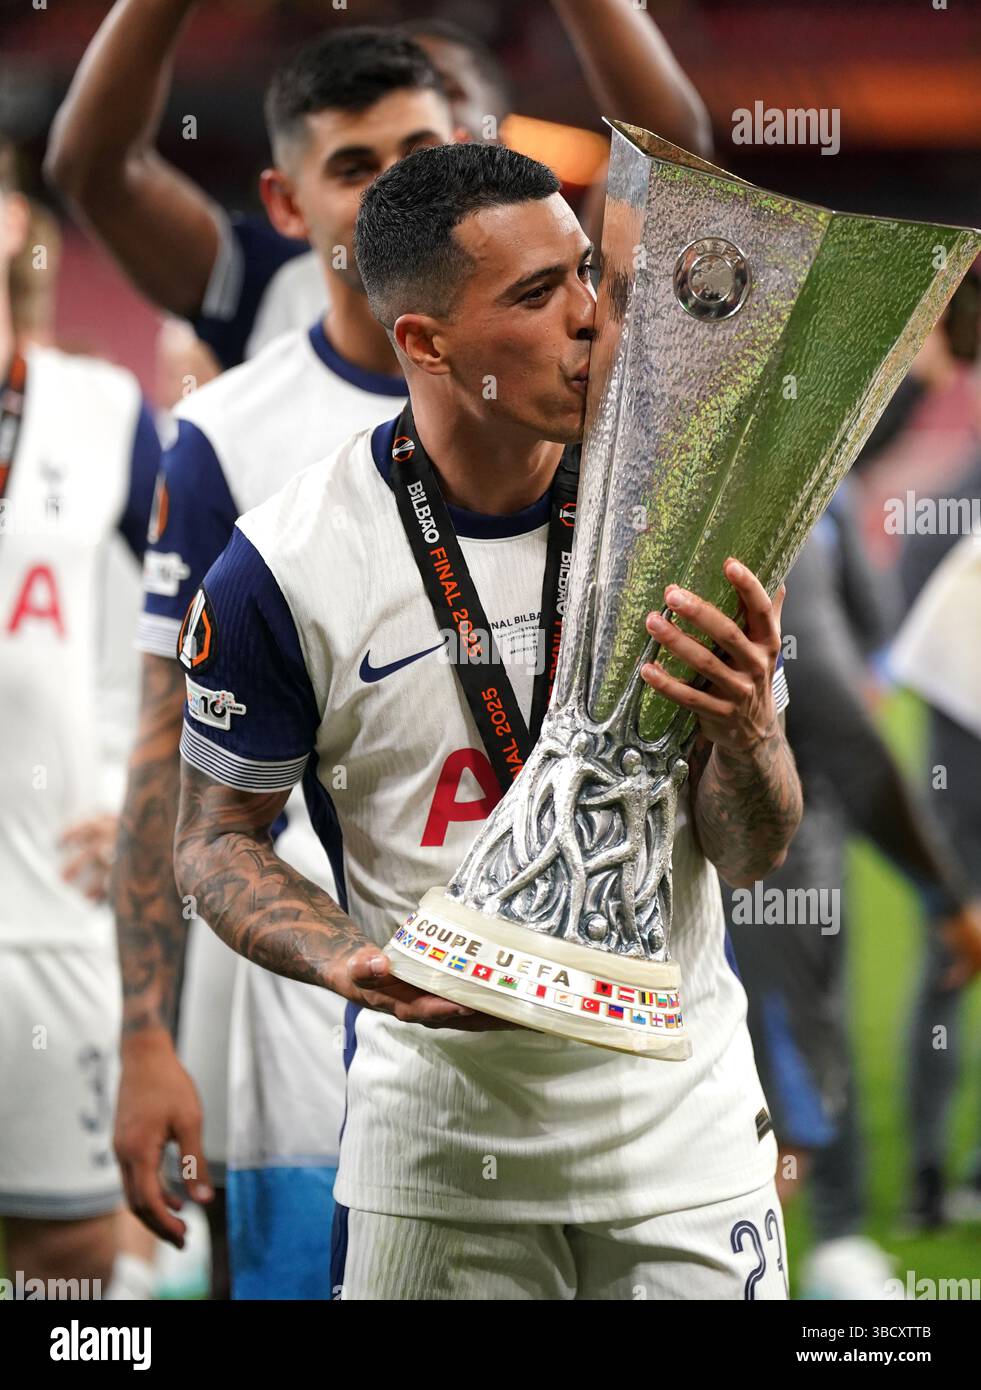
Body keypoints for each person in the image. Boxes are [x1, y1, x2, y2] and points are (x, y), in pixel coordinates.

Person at [173, 141, 801, 1300]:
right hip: (439, 1153)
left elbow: (752, 856)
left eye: (588, 276)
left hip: (684, 1134)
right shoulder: (286, 565)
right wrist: (345, 956)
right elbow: (215, 839)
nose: (591, 320)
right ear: (425, 343)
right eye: (535, 294)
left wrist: (751, 736)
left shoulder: (688, 514)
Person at [111, 28, 453, 1301]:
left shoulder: (558, 395)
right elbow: (171, 762)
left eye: (420, 151)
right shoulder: (223, 438)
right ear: (286, 201)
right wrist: (146, 1034)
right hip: (304, 1012)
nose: (393, 189)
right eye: (354, 165)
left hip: (543, 1002)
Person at [45, 0, 711, 371]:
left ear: (495, 140)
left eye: (439, 112)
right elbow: (93, 169)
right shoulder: (267, 278)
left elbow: (669, 149)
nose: (406, 160)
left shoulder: (565, 275)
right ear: (288, 203)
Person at [722, 486, 981, 1299]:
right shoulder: (771, 493)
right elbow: (845, 727)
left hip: (799, 844)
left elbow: (864, 657)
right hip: (743, 860)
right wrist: (946, 897)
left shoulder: (831, 488)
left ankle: (829, 1246)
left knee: (802, 1074)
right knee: (776, 1095)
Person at [0, 135, 160, 1294]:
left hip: (53, 909)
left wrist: (137, 798)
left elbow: (174, 637)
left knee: (65, 1257)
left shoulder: (104, 414)